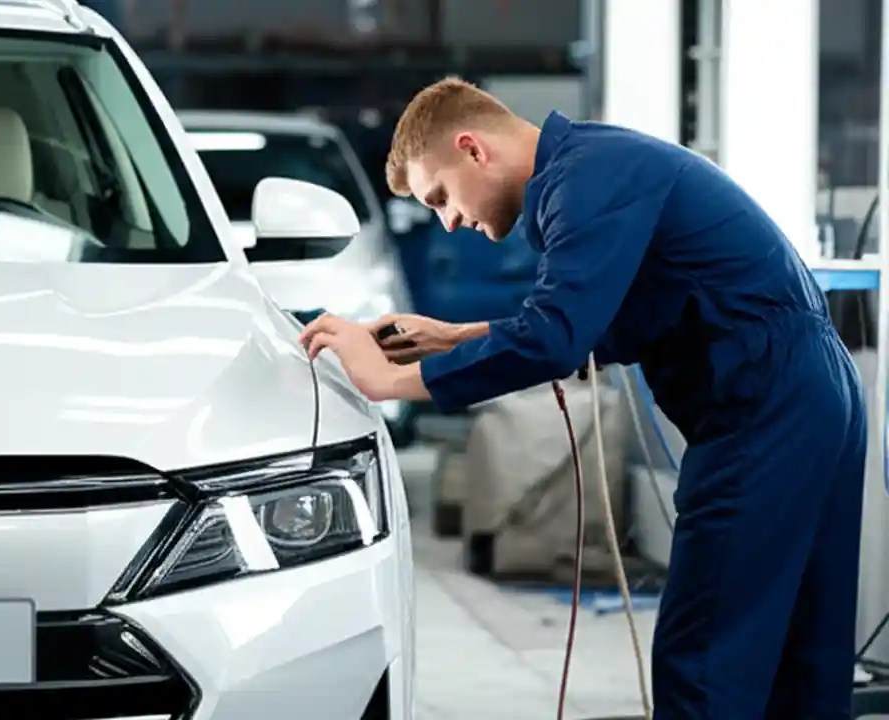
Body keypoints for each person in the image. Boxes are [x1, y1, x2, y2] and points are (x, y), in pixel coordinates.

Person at [300, 76, 868, 719]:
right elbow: (614, 318)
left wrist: (388, 381)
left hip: (767, 404)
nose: (450, 222)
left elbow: (555, 338)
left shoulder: (585, 181)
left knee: (706, 657)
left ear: (472, 148)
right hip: (813, 389)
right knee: (805, 660)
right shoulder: (599, 165)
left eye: (440, 197)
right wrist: (457, 336)